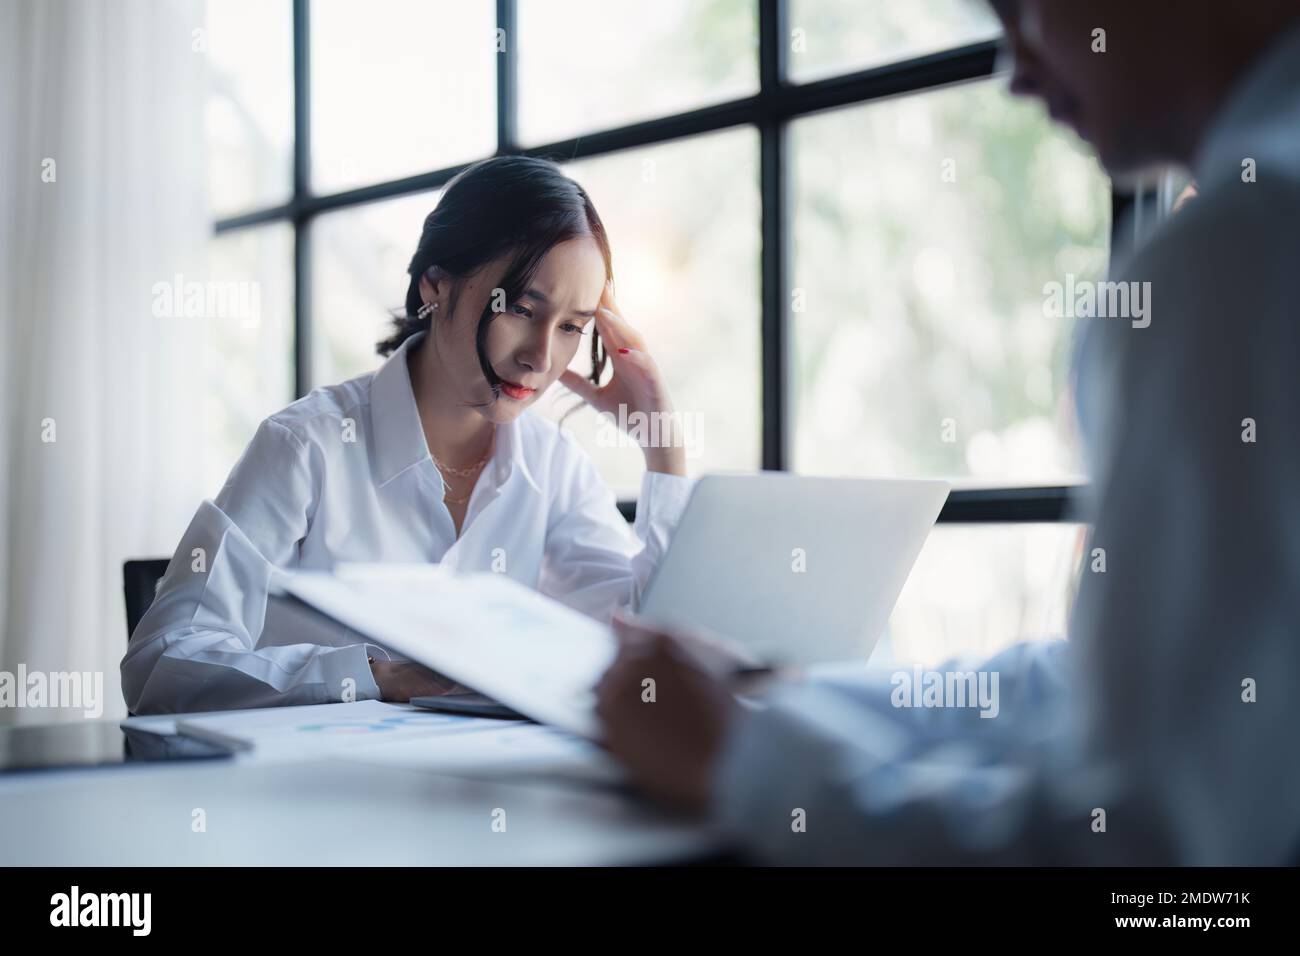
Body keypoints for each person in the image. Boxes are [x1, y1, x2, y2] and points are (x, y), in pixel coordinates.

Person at [596, 0, 1300, 864]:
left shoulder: (1239, 252)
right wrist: (785, 694)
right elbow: (1100, 691)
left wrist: (746, 762)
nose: (1017, 69)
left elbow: (1155, 872)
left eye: (1025, 11)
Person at [123, 156, 693, 714]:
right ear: (435, 287)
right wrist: (375, 676)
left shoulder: (554, 468)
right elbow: (161, 667)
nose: (541, 358)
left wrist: (661, 446)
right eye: (520, 308)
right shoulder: (306, 447)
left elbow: (648, 655)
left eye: (572, 327)